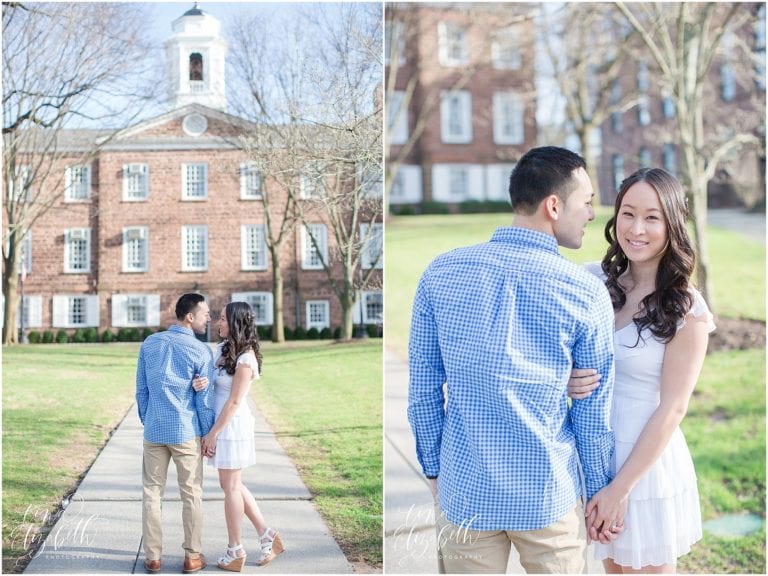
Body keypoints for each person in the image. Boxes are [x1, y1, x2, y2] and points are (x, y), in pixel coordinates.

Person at [408, 146, 623, 574]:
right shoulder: (583, 293)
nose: (592, 213)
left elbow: (423, 393)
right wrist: (598, 489)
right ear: (554, 205)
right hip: (548, 496)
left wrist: (435, 471)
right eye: (587, 201)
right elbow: (593, 414)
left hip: (465, 491)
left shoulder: (441, 273)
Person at [567, 167, 714, 573]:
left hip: (643, 464)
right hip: (587, 453)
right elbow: (541, 357)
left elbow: (673, 409)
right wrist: (563, 379)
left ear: (672, 223)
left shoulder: (687, 309)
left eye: (652, 217)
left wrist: (620, 489)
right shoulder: (590, 281)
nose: (636, 228)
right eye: (628, 213)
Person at [193, 301, 284, 571]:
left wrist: (212, 435)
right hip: (219, 425)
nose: (217, 323)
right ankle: (267, 535)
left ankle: (235, 549)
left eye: (222, 319)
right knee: (233, 485)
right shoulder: (220, 350)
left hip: (232, 427)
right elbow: (213, 382)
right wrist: (202, 383)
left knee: (231, 487)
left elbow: (233, 402)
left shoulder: (247, 359)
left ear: (235, 323)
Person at [136, 293, 216, 574]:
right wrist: (208, 435)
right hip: (185, 431)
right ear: (190, 316)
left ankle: (153, 557)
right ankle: (193, 556)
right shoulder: (201, 351)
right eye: (205, 313)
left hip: (154, 430)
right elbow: (204, 401)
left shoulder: (149, 344)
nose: (210, 317)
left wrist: (149, 420)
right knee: (192, 494)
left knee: (151, 493)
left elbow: (141, 391)